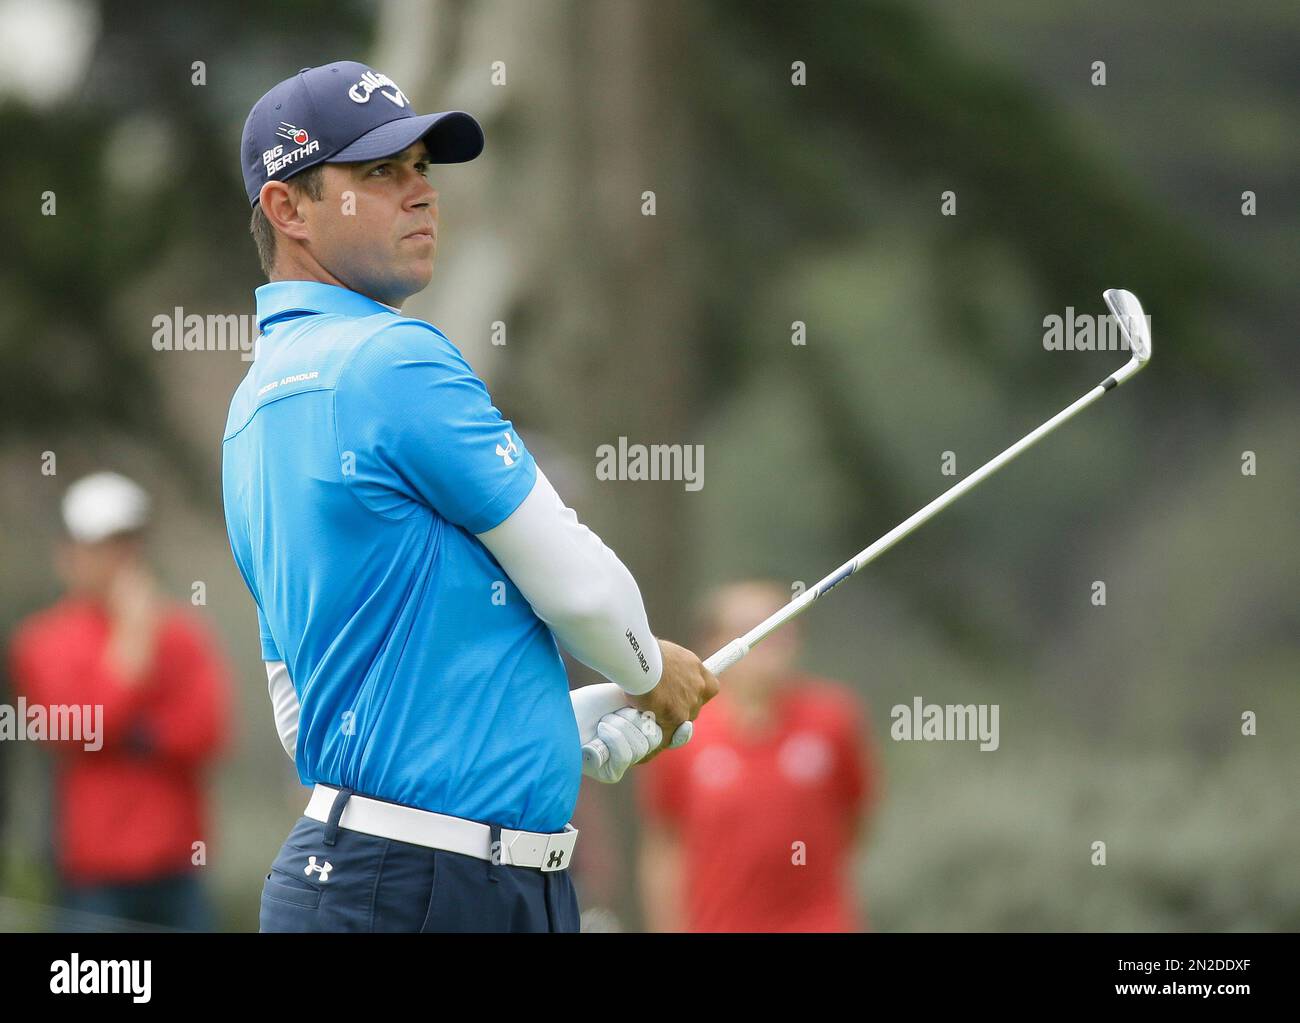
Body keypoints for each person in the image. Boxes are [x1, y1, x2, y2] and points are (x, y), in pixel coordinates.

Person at [224, 61, 717, 933]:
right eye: (379, 173)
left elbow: (311, 720)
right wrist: (650, 671)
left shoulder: (252, 404)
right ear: (288, 209)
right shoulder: (393, 356)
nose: (421, 194)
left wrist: (543, 726)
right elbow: (581, 587)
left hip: (365, 876)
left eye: (422, 167)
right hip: (433, 889)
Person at [7, 471, 231, 930]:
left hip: (177, 866)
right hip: (93, 876)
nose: (119, 560)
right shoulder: (42, 641)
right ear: (69, 555)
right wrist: (131, 651)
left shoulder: (184, 636)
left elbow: (207, 729)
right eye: (103, 546)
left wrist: (133, 734)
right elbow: (77, 730)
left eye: (127, 544)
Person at [638, 580, 881, 932]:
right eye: (751, 628)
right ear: (713, 642)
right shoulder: (682, 732)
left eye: (782, 626)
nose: (771, 642)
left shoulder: (835, 719)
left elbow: (856, 818)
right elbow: (665, 846)